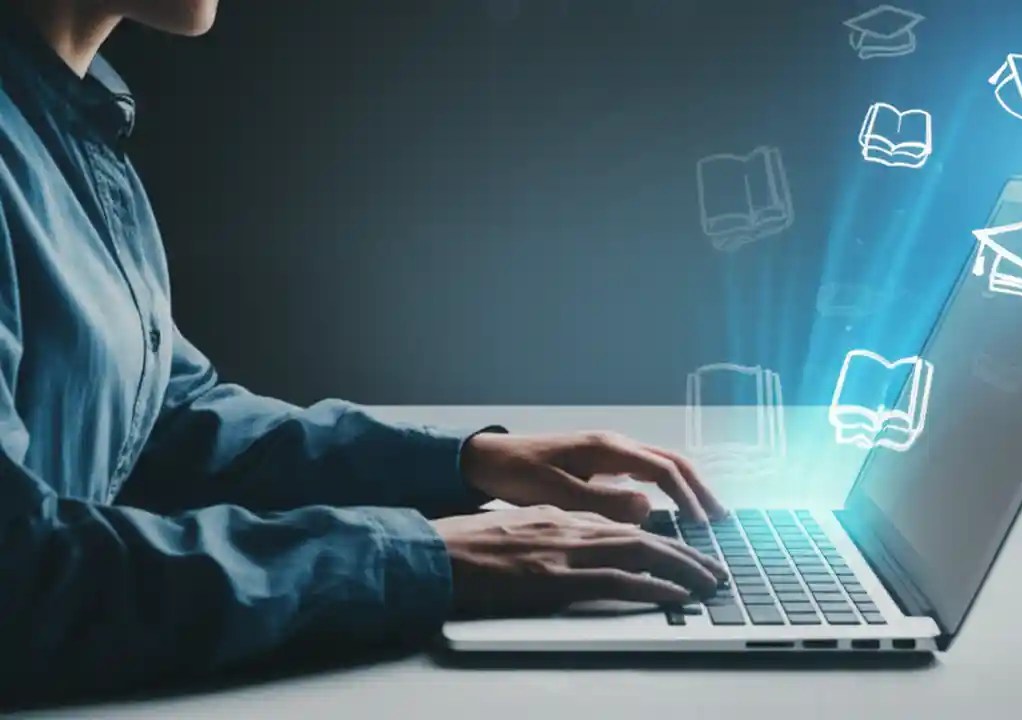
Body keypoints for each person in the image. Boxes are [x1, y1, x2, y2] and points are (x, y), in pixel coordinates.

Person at [0, 0, 728, 702]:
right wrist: (427, 557)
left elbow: (166, 424)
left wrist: (464, 462)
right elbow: (18, 576)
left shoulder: (66, 122)